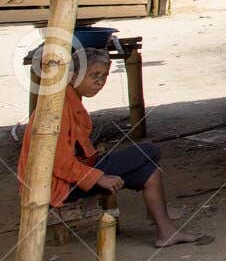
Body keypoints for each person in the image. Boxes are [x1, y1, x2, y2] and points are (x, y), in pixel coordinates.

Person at [19, 47, 210, 248]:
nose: (100, 81)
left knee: (149, 171)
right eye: (94, 75)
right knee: (149, 151)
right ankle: (155, 217)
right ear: (73, 77)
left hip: (76, 172)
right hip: (55, 186)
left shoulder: (71, 100)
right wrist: (98, 177)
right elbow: (57, 163)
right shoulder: (55, 108)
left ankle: (166, 232)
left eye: (104, 76)